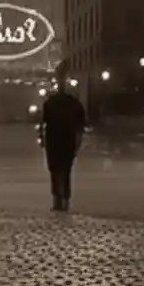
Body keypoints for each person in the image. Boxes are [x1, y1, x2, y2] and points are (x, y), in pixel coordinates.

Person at [39, 79, 87, 211]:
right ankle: (65, 198)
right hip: (68, 140)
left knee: (54, 170)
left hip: (53, 139)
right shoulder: (75, 105)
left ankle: (57, 199)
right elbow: (80, 126)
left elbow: (43, 123)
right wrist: (78, 143)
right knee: (66, 170)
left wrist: (42, 139)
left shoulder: (50, 103)